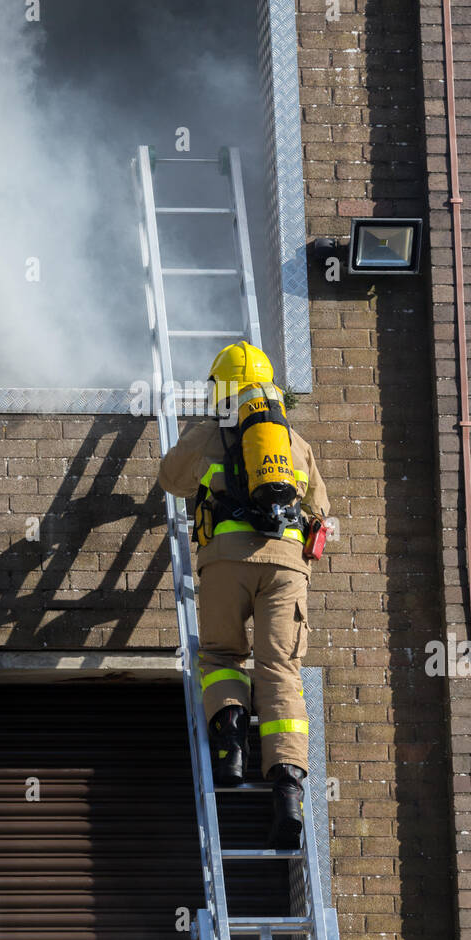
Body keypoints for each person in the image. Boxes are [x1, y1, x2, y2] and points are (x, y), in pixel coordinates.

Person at [157, 341, 330, 848]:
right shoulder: (295, 444)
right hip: (287, 565)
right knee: (280, 669)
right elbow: (319, 511)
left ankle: (230, 749)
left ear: (223, 391)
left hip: (226, 561)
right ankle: (288, 788)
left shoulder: (210, 434)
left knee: (222, 655)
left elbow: (169, 478)